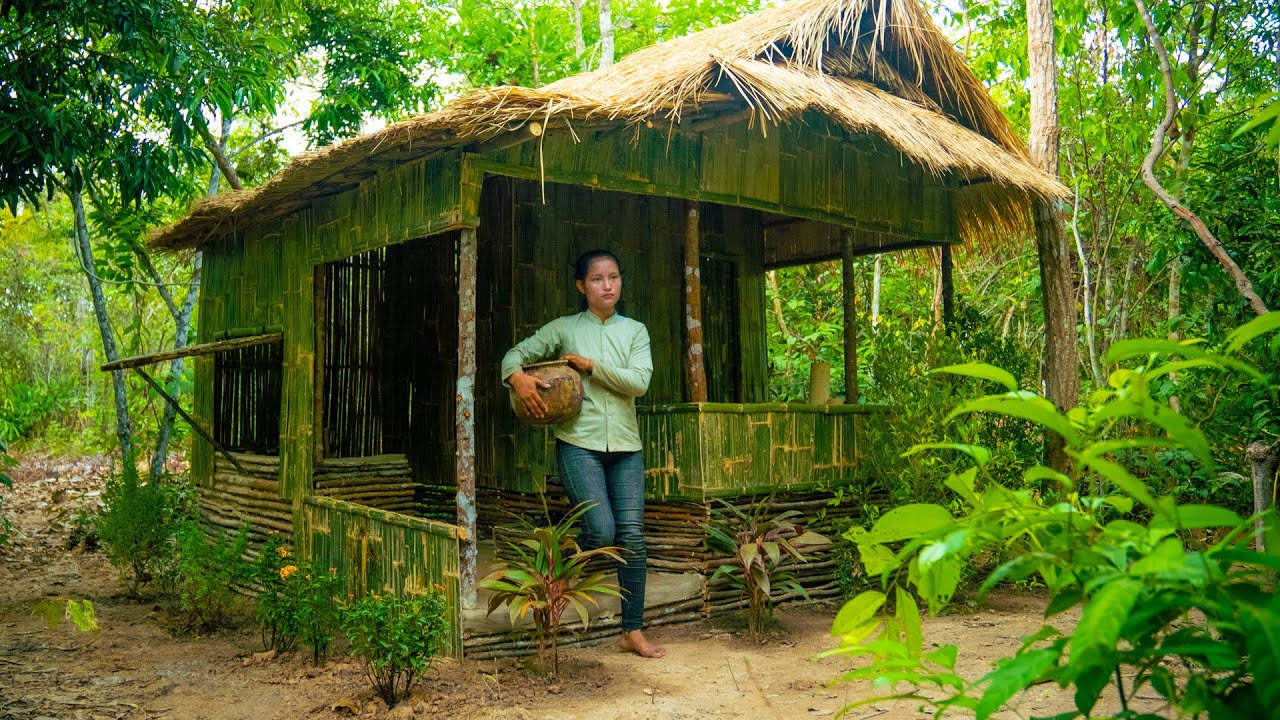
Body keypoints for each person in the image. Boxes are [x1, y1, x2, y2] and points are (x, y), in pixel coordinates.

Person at [501, 249, 665, 659]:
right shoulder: (564, 328)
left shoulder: (636, 331)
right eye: (597, 279)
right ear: (581, 286)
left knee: (632, 539)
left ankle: (632, 631)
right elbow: (514, 355)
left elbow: (639, 382)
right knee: (602, 532)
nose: (607, 285)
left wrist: (591, 366)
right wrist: (516, 378)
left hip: (627, 447)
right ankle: (549, 566)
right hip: (579, 446)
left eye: (613, 277)